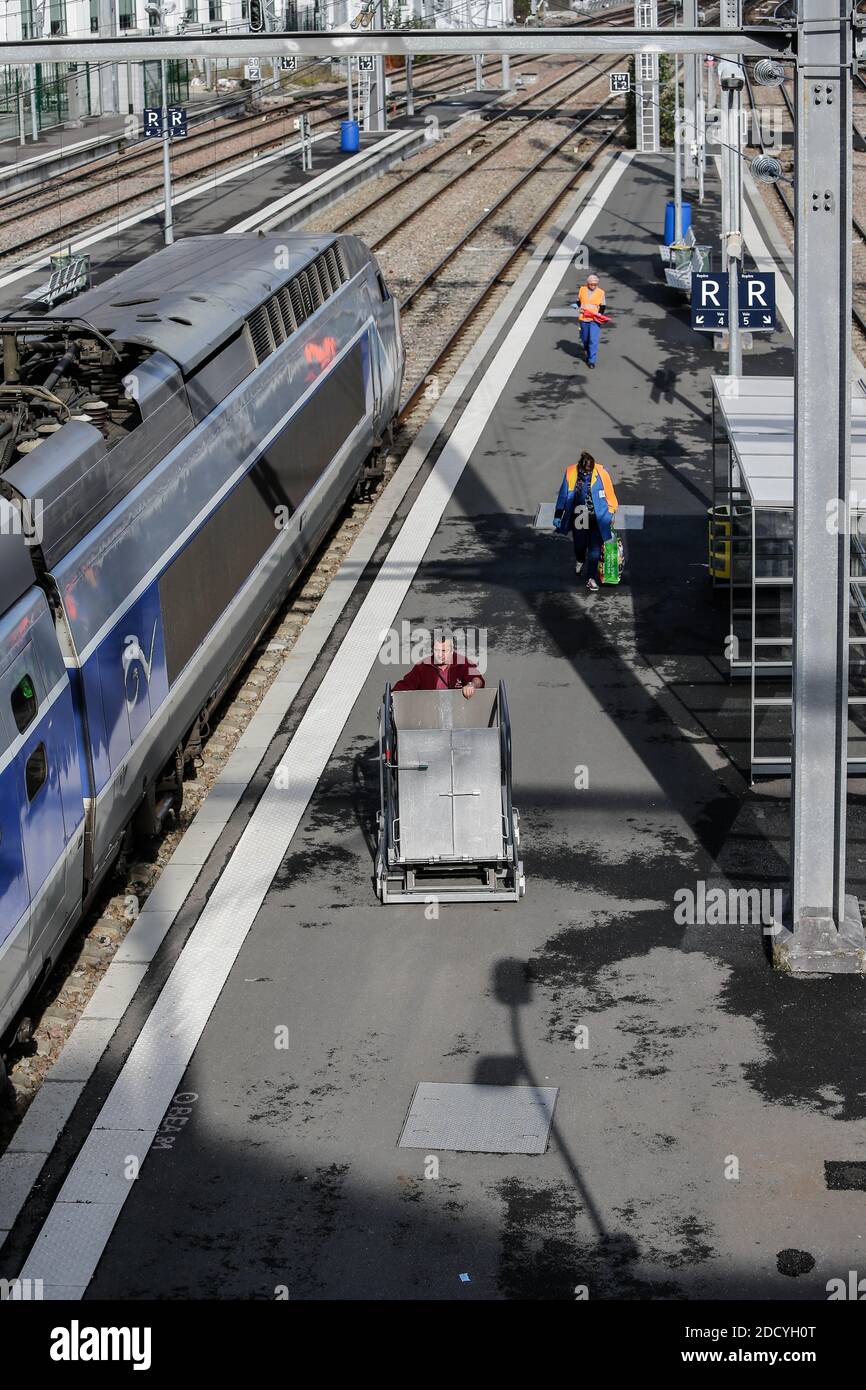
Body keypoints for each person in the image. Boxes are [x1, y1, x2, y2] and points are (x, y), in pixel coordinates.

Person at [553, 450, 619, 592]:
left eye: (588, 472)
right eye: (584, 472)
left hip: (599, 516)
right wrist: (558, 515)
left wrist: (611, 513)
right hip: (580, 514)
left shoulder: (602, 473)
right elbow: (563, 494)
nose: (586, 474)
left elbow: (610, 495)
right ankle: (580, 560)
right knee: (580, 546)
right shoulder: (571, 472)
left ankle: (590, 578)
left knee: (595, 550)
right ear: (580, 467)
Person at [392, 633, 484, 699]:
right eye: (437, 650)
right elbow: (406, 685)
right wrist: (392, 694)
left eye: (444, 651)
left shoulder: (463, 662)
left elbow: (477, 679)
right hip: (429, 713)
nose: (440, 655)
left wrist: (471, 685)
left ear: (452, 650)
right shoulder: (422, 666)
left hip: (458, 711)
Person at [577, 273, 608, 369]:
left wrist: (600, 314)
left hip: (595, 319)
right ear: (588, 283)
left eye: (595, 284)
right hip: (583, 318)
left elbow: (602, 305)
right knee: (585, 339)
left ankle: (591, 361)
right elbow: (578, 301)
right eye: (591, 284)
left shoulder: (601, 292)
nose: (593, 286)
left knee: (593, 340)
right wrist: (578, 307)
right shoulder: (582, 290)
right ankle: (587, 349)